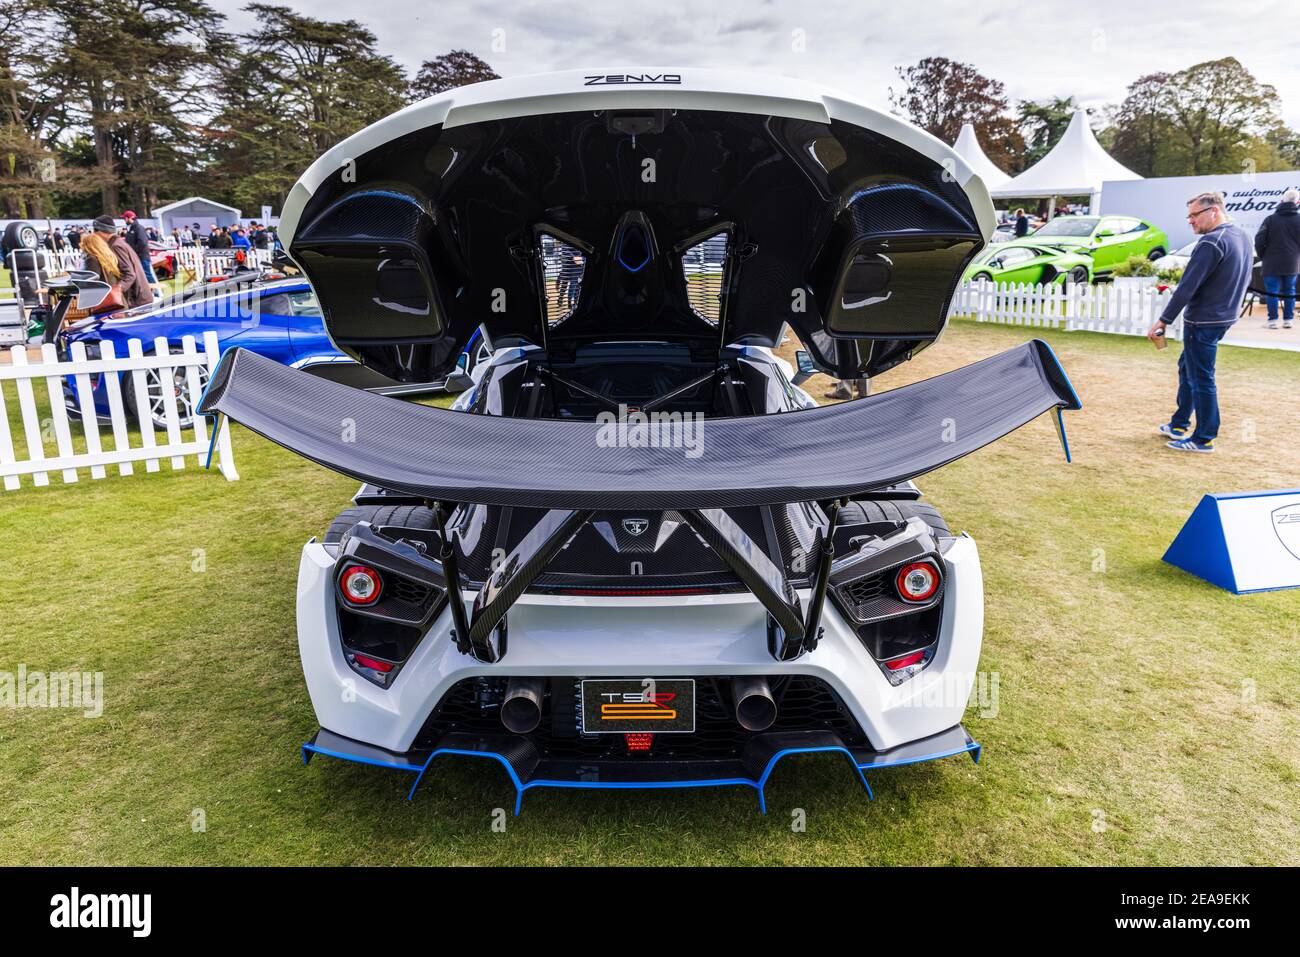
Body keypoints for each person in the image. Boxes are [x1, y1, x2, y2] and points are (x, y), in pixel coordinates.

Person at [1147, 192, 1253, 454]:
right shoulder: (1240, 235)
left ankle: (1204, 437)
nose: (1190, 221)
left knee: (1201, 377)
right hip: (1222, 318)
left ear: (1213, 211)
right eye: (1189, 216)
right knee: (1188, 367)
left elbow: (1186, 288)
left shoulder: (1211, 242)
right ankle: (1179, 423)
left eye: (1194, 215)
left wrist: (1163, 321)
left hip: (1204, 321)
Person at [82, 214, 152, 309]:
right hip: (138, 297)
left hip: (137, 299)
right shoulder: (118, 243)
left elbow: (130, 275)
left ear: (103, 231)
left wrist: (115, 292)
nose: (94, 234)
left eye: (96, 231)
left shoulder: (115, 246)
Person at [1255, 187, 1300, 330]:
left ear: (1282, 201)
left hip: (1271, 261)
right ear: (1297, 202)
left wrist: (1263, 255)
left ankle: (1272, 320)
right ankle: (1288, 320)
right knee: (1290, 291)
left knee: (1271, 291)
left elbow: (1259, 240)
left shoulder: (1270, 219)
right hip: (1292, 262)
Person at [122, 210, 157, 286]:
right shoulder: (131, 229)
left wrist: (133, 251)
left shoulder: (139, 228)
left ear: (130, 218)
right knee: (141, 276)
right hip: (136, 257)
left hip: (142, 257)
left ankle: (157, 293)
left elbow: (143, 243)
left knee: (146, 275)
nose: (124, 220)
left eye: (125, 218)